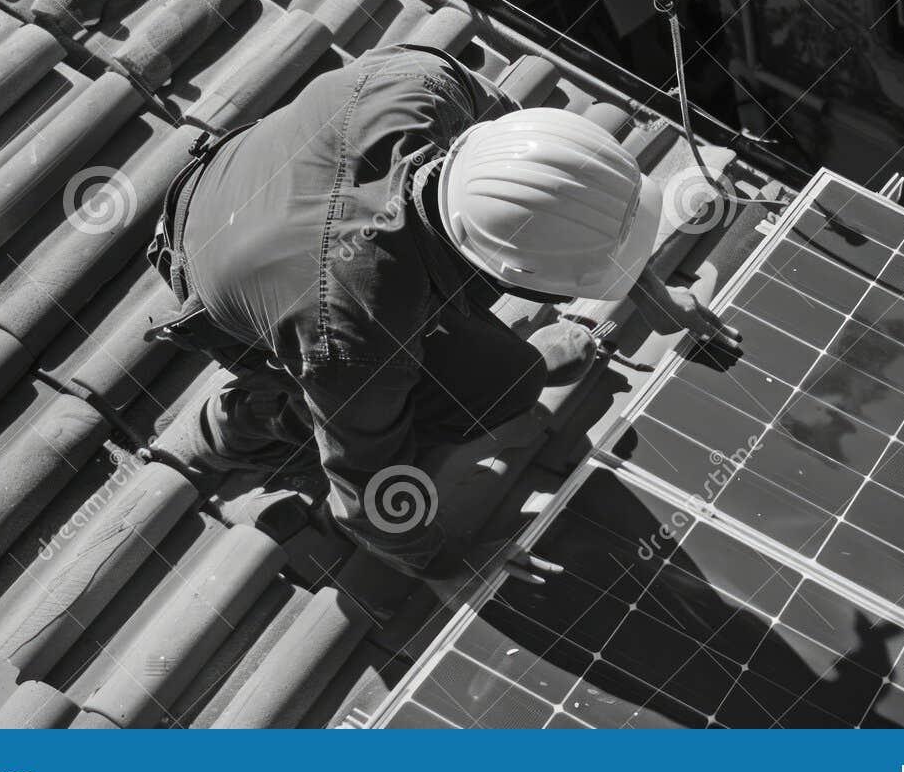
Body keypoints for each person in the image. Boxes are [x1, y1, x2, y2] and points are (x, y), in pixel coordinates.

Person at [145, 43, 740, 581]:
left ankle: (438, 337)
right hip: (205, 255)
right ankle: (261, 416)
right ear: (513, 274)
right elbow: (370, 501)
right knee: (499, 384)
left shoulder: (431, 82)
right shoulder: (352, 332)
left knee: (485, 358)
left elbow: (549, 192)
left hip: (242, 187)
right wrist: (453, 562)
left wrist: (655, 296)